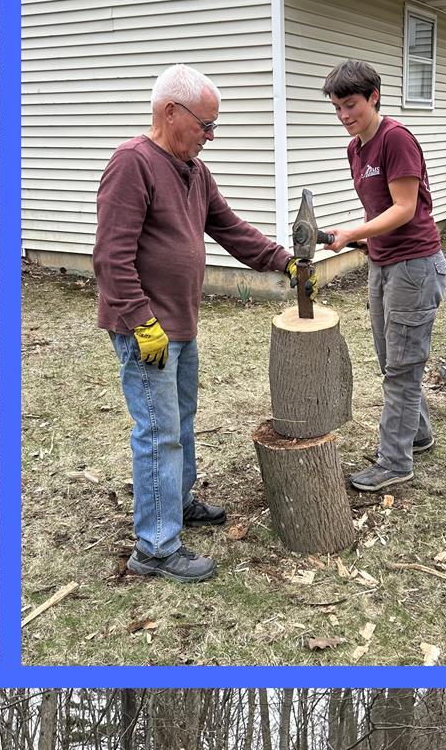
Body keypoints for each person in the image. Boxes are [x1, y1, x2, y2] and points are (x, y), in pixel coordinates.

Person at [94, 65, 305, 584]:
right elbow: (111, 257)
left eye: (214, 126)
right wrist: (142, 322)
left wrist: (284, 261)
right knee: (158, 432)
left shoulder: (194, 172)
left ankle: (177, 503)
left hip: (181, 325)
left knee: (180, 423)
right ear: (171, 112)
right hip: (148, 330)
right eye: (205, 125)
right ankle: (156, 547)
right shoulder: (132, 164)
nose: (211, 136)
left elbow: (229, 228)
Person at [318, 60, 446, 492]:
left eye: (350, 105)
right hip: (382, 262)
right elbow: (380, 212)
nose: (343, 115)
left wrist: (352, 231)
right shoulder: (356, 148)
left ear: (374, 96)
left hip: (414, 267)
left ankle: (395, 461)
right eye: (337, 107)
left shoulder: (396, 140)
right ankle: (419, 434)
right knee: (393, 362)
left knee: (403, 366)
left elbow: (405, 208)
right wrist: (355, 237)